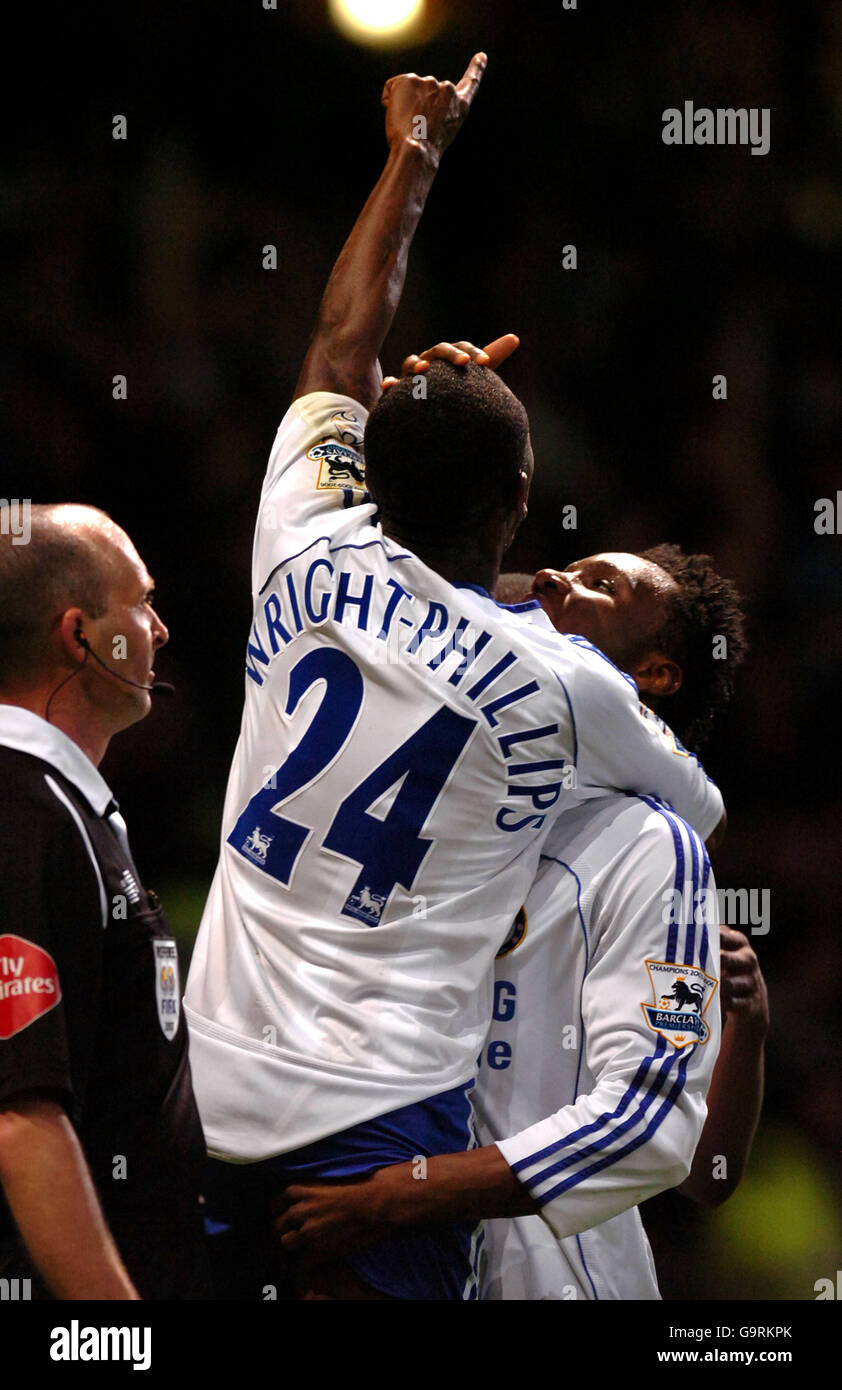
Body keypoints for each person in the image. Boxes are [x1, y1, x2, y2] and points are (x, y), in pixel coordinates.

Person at [184, 60, 725, 1302]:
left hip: (206, 1091)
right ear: (522, 506)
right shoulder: (562, 684)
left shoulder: (299, 534)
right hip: (375, 1130)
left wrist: (413, 152)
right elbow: (687, 804)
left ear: (366, 461)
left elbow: (337, 341)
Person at [275, 519, 765, 1300]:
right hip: (401, 1258)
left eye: (603, 586)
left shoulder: (655, 846)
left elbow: (666, 1144)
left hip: (551, 1275)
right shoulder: (454, 805)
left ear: (659, 673)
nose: (556, 582)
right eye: (563, 568)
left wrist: (402, 1192)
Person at [0, 504, 207, 1299]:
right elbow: (23, 1115)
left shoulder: (64, 808)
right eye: (141, 603)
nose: (159, 629)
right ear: (79, 634)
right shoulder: (22, 815)